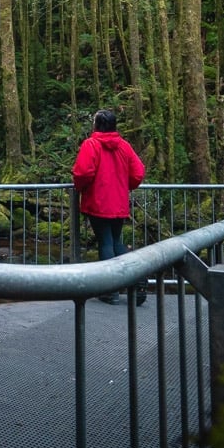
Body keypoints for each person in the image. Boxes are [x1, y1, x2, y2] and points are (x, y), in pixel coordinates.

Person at [72, 109, 146, 305]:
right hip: (119, 202)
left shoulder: (92, 144)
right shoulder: (124, 146)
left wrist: (81, 188)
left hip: (98, 201)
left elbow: (82, 172)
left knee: (106, 242)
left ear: (96, 125)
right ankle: (137, 277)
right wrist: (124, 185)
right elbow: (138, 172)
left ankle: (110, 290)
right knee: (115, 241)